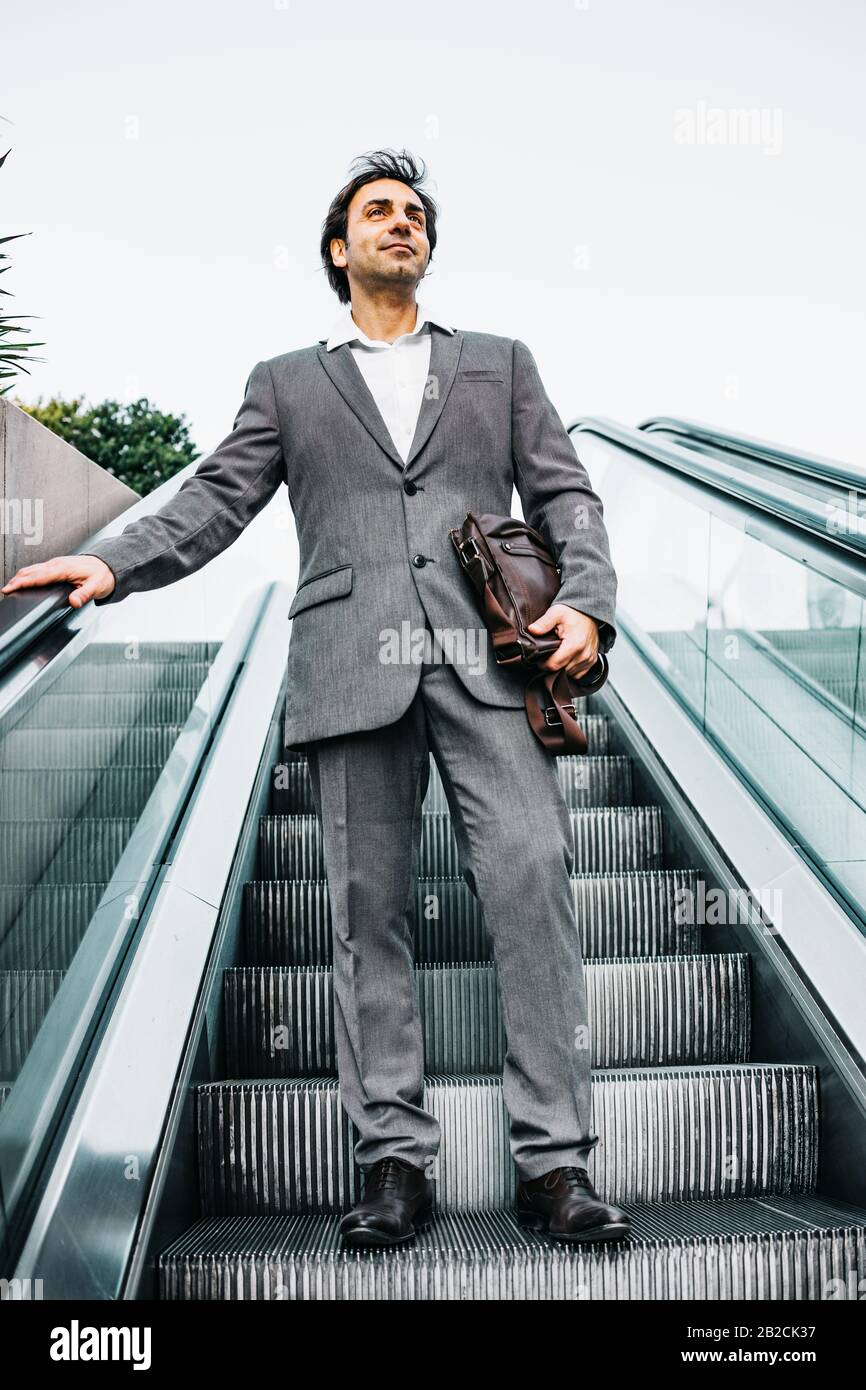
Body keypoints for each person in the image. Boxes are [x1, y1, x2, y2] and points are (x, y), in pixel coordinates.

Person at [3, 148, 629, 1248]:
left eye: (416, 214)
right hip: (346, 663)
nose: (403, 224)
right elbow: (213, 498)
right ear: (337, 249)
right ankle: (392, 1158)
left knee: (531, 882)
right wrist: (110, 564)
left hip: (492, 659)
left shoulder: (498, 362)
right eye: (379, 212)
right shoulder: (288, 380)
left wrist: (586, 599)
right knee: (362, 914)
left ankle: (555, 1163)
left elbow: (565, 489)